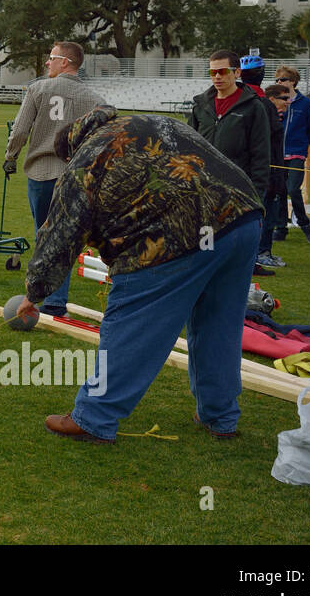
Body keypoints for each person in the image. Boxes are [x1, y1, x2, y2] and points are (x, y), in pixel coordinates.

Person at [16, 106, 263, 444]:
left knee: (130, 325)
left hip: (175, 235)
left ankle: (93, 418)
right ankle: (220, 416)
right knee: (219, 323)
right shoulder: (150, 121)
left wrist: (34, 292)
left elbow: (61, 233)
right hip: (242, 217)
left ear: (69, 151)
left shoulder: (85, 159)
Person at [3, 41, 104, 317]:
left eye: (51, 57)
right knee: (66, 235)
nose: (47, 62)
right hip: (75, 176)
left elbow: (20, 130)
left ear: (65, 61)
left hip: (41, 172)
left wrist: (11, 156)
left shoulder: (37, 89)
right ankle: (55, 300)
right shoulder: (94, 99)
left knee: (43, 233)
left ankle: (38, 295)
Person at [186, 50, 272, 275]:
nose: (217, 77)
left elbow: (261, 153)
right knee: (205, 245)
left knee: (232, 247)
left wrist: (257, 192)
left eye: (223, 71)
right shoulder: (201, 106)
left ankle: (233, 283)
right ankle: (203, 278)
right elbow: (188, 147)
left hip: (238, 192)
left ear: (237, 72)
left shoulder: (253, 107)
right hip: (204, 190)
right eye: (213, 72)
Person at [273, 66, 310, 245]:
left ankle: (304, 222)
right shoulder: (276, 102)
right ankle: (280, 228)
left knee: (293, 189)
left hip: (297, 154)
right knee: (279, 192)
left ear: (293, 81)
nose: (279, 82)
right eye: (277, 80)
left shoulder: (305, 104)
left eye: (283, 79)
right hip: (278, 155)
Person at [256, 84, 291, 268]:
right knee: (266, 214)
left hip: (277, 171)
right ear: (271, 99)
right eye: (284, 98)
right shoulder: (265, 118)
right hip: (268, 173)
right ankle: (261, 253)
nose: (288, 102)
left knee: (273, 211)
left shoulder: (275, 117)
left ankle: (266, 250)